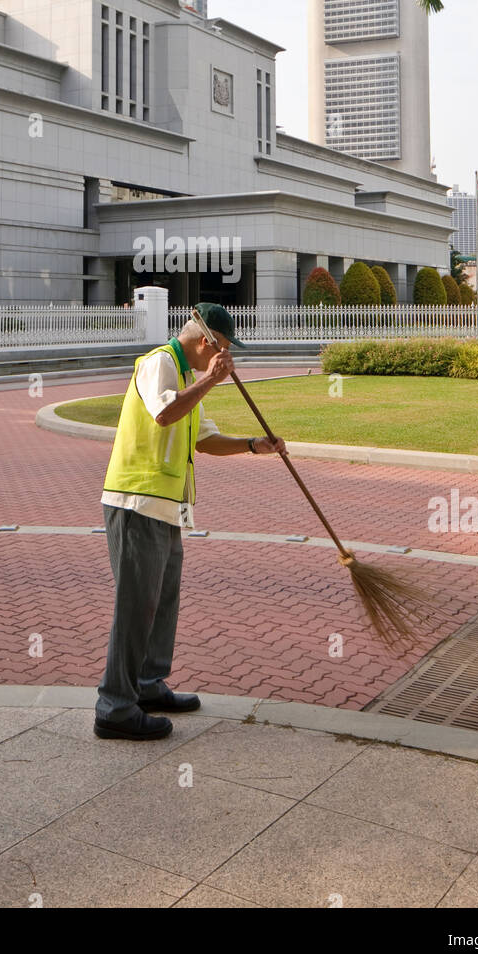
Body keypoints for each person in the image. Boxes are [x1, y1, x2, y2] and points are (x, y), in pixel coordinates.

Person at [94, 301, 287, 740]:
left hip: (167, 507)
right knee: (135, 606)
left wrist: (256, 444)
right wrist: (209, 380)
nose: (225, 359)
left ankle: (147, 684)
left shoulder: (187, 378)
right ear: (206, 342)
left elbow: (205, 440)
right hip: (136, 502)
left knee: (161, 602)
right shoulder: (160, 364)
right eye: (222, 350)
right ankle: (115, 706)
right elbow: (165, 412)